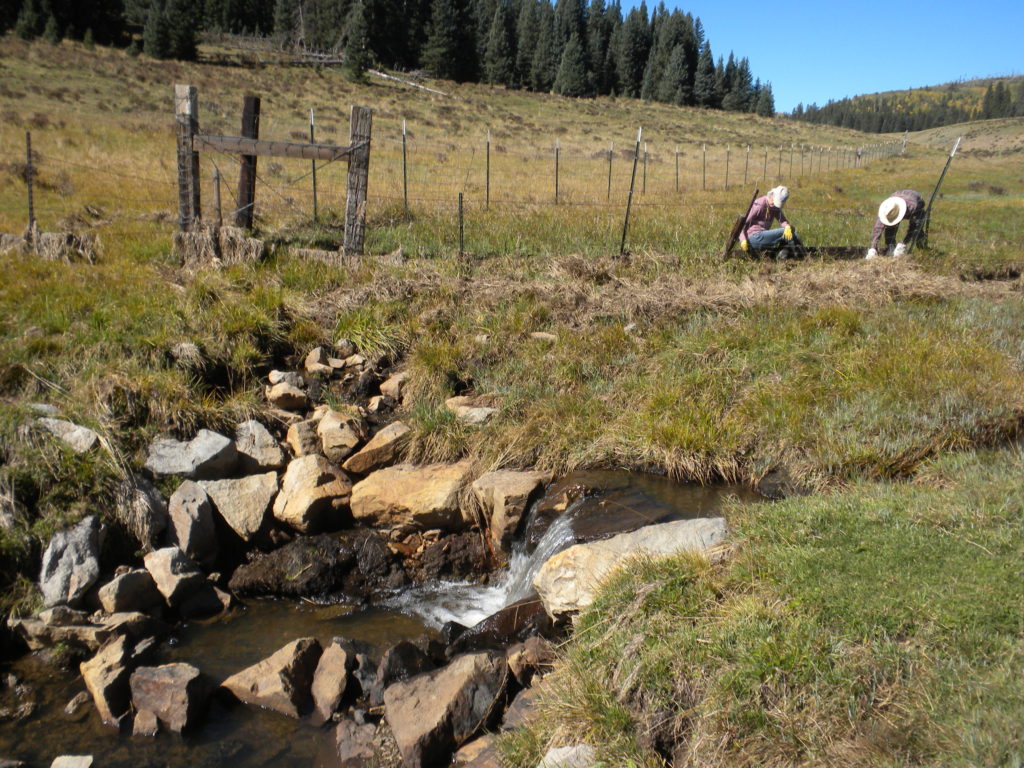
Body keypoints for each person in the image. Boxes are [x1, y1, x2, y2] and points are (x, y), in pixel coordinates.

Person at [740, 186, 801, 256]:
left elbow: (782, 220)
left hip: (763, 235)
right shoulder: (759, 205)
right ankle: (798, 253)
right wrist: (743, 240)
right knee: (790, 231)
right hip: (753, 238)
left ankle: (786, 253)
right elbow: (743, 224)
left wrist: (787, 226)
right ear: (772, 195)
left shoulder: (774, 206)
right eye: (774, 202)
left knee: (790, 230)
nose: (774, 204)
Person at [866, 189, 926, 259]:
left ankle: (922, 250)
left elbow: (913, 228)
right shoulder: (887, 209)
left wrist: (904, 244)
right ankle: (890, 247)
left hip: (916, 201)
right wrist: (873, 247)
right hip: (897, 195)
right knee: (890, 226)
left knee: (918, 231)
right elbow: (878, 228)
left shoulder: (913, 208)